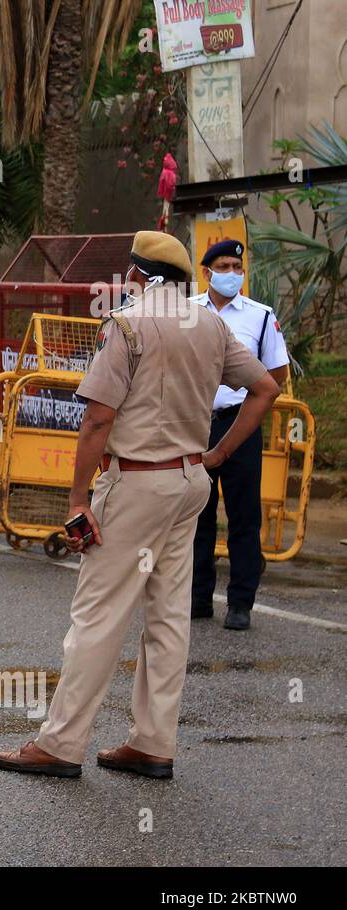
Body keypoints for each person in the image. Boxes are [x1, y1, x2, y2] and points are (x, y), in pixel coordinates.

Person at [0, 231, 279, 781]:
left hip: (138, 483)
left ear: (138, 277)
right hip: (190, 481)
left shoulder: (125, 324)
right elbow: (265, 388)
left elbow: (99, 418)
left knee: (98, 616)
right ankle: (152, 743)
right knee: (169, 617)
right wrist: (217, 452)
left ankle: (60, 744)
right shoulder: (212, 324)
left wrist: (78, 498)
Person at [189, 239, 289, 631]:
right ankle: (197, 598)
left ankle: (240, 603)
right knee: (197, 513)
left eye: (236, 265)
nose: (232, 273)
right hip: (195, 423)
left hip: (240, 423)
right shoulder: (186, 313)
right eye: (223, 266)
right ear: (206, 272)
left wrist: (248, 402)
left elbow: (275, 375)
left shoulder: (261, 316)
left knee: (244, 516)